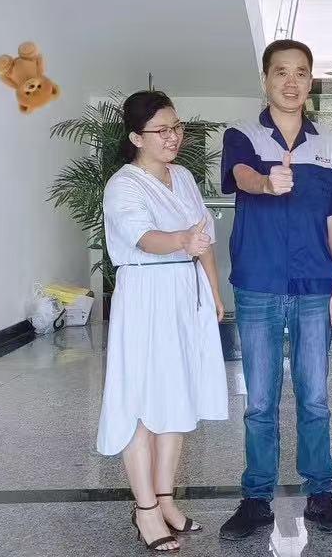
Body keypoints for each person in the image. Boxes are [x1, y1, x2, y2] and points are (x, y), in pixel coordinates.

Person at [217, 39, 332, 540]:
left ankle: (320, 493)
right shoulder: (243, 134)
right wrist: (266, 182)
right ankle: (256, 499)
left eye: (300, 73)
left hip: (316, 286)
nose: (291, 82)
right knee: (260, 401)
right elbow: (241, 176)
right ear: (266, 79)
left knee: (315, 397)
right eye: (281, 72)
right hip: (259, 284)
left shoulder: (330, 144)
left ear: (310, 81)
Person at [97, 90, 228, 554]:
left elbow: (204, 238)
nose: (173, 137)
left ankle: (167, 499)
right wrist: (181, 241)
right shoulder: (123, 185)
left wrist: (214, 293)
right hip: (145, 294)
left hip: (185, 292)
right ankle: (145, 509)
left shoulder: (184, 177)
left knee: (176, 395)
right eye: (162, 130)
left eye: (177, 128)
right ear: (137, 137)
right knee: (140, 398)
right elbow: (144, 238)